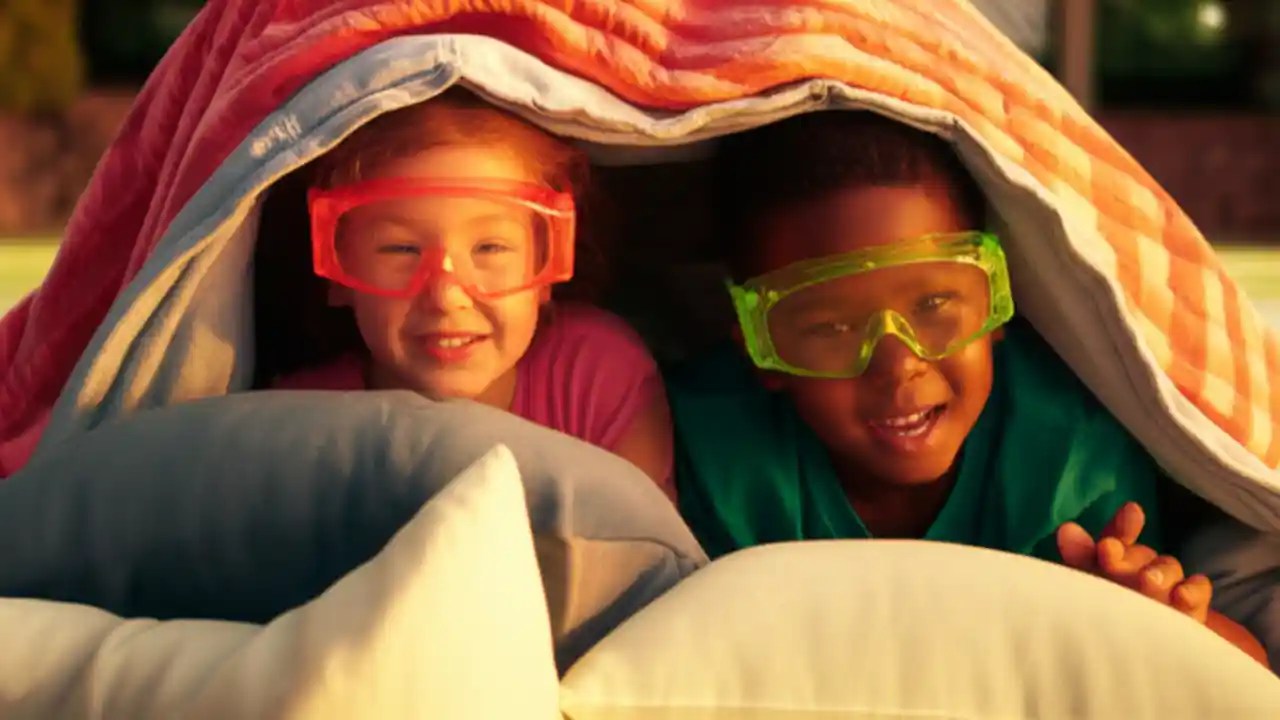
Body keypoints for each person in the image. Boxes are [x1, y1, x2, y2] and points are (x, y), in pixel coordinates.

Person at [666, 110, 1267, 665]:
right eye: (830, 326)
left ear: (999, 303)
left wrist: (1169, 624)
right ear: (759, 349)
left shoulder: (1069, 448)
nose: (899, 365)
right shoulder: (712, 456)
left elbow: (1249, 674)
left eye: (933, 303)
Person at [255, 88, 674, 499]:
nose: (446, 296)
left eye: (489, 248)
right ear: (337, 271)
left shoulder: (596, 377)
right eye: (401, 249)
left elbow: (647, 555)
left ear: (546, 263)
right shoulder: (303, 428)